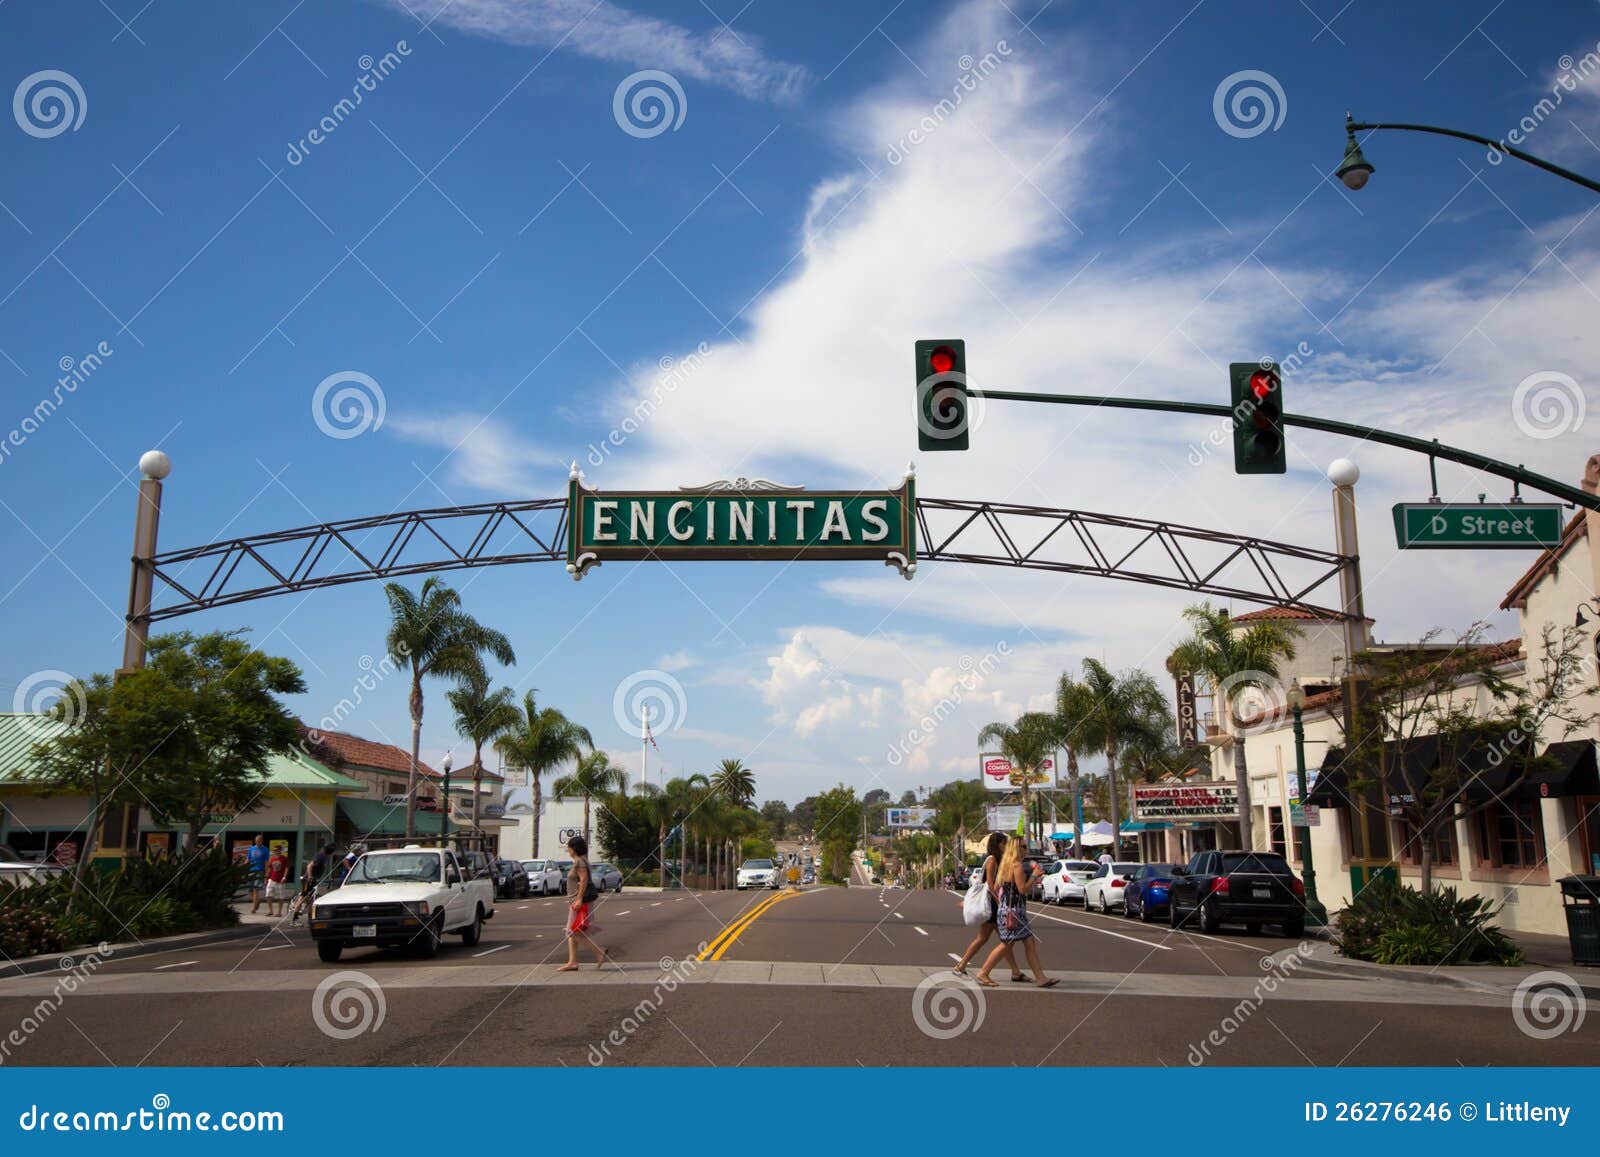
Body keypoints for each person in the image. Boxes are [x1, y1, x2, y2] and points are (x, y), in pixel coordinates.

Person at [976, 835, 1058, 988]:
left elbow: (995, 888)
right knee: (1007, 944)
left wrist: (1003, 903)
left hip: (1008, 910)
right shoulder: (1017, 866)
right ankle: (983, 972)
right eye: (1024, 847)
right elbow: (1023, 890)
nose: (1026, 850)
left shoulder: (1005, 866)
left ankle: (1041, 978)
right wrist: (1034, 876)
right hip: (1014, 911)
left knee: (1028, 943)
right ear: (1016, 849)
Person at [953, 833, 1026, 982]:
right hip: (992, 905)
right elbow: (991, 884)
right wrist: (1000, 903)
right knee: (1002, 940)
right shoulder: (992, 860)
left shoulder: (1001, 860)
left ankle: (1015, 971)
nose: (1007, 846)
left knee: (996, 939)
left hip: (994, 904)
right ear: (999, 844)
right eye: (1005, 843)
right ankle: (969, 967)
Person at [558, 835, 607, 971]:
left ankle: (599, 952)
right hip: (577, 901)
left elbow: (584, 880)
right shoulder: (584, 860)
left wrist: (579, 899)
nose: (568, 850)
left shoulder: (579, 861)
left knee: (573, 932)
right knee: (574, 932)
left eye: (569, 847)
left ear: (574, 848)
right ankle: (573, 962)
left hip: (579, 902)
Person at [292, 843, 334, 926]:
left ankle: (310, 919)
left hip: (314, 880)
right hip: (309, 880)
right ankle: (294, 920)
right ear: (330, 851)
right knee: (303, 898)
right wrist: (310, 876)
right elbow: (309, 866)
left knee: (312, 899)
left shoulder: (324, 857)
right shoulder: (320, 856)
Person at [264, 845, 291, 917]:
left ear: (280, 850)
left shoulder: (284, 858)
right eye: (274, 850)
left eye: (276, 850)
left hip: (280, 880)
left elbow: (286, 868)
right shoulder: (272, 858)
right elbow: (269, 869)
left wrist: (284, 877)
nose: (275, 851)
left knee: (280, 896)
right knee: (268, 895)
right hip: (272, 879)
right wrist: (266, 878)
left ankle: (279, 912)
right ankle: (270, 911)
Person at [245, 835, 270, 914]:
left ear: (261, 841)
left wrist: (266, 874)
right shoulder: (251, 849)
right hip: (251, 871)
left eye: (259, 840)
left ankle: (254, 908)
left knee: (256, 890)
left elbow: (266, 863)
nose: (257, 842)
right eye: (256, 840)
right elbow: (247, 859)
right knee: (250, 890)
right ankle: (257, 901)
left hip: (260, 871)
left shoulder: (265, 850)